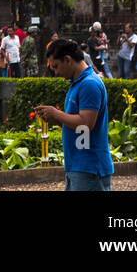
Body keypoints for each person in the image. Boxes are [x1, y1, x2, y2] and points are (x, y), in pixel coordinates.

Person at [35, 39, 114, 191]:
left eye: (56, 66)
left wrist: (56, 113)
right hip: (78, 165)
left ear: (67, 59)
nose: (56, 72)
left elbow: (86, 123)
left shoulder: (89, 84)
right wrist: (55, 119)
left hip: (89, 167)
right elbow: (78, 126)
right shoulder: (77, 83)